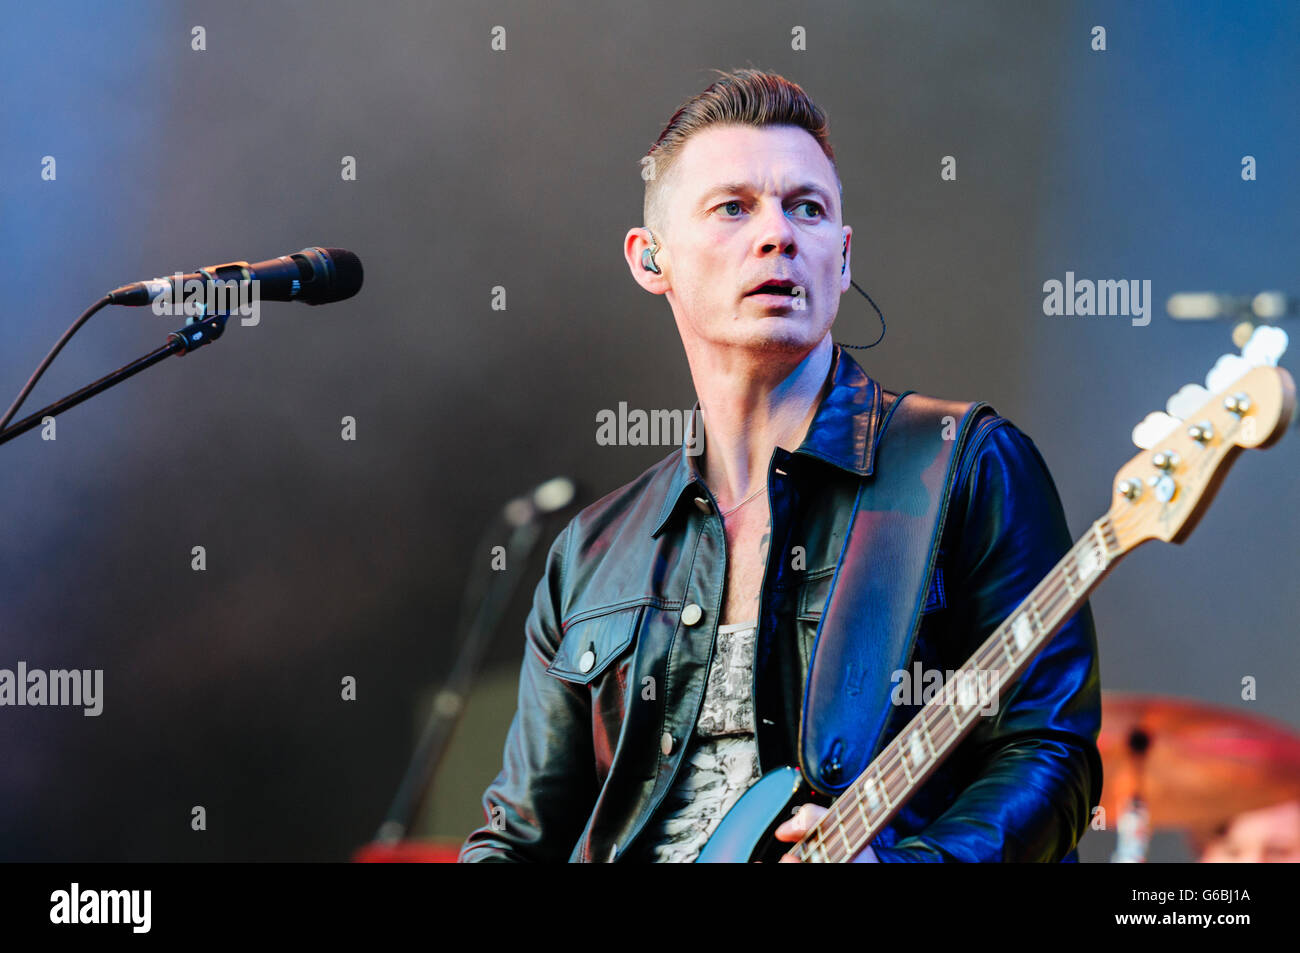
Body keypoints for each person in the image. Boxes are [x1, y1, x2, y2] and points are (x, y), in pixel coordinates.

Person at [459, 68, 1101, 863]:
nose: (778, 233)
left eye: (807, 207)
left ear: (844, 252)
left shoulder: (962, 468)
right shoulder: (592, 553)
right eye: (733, 207)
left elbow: (1051, 750)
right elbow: (519, 836)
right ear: (649, 258)